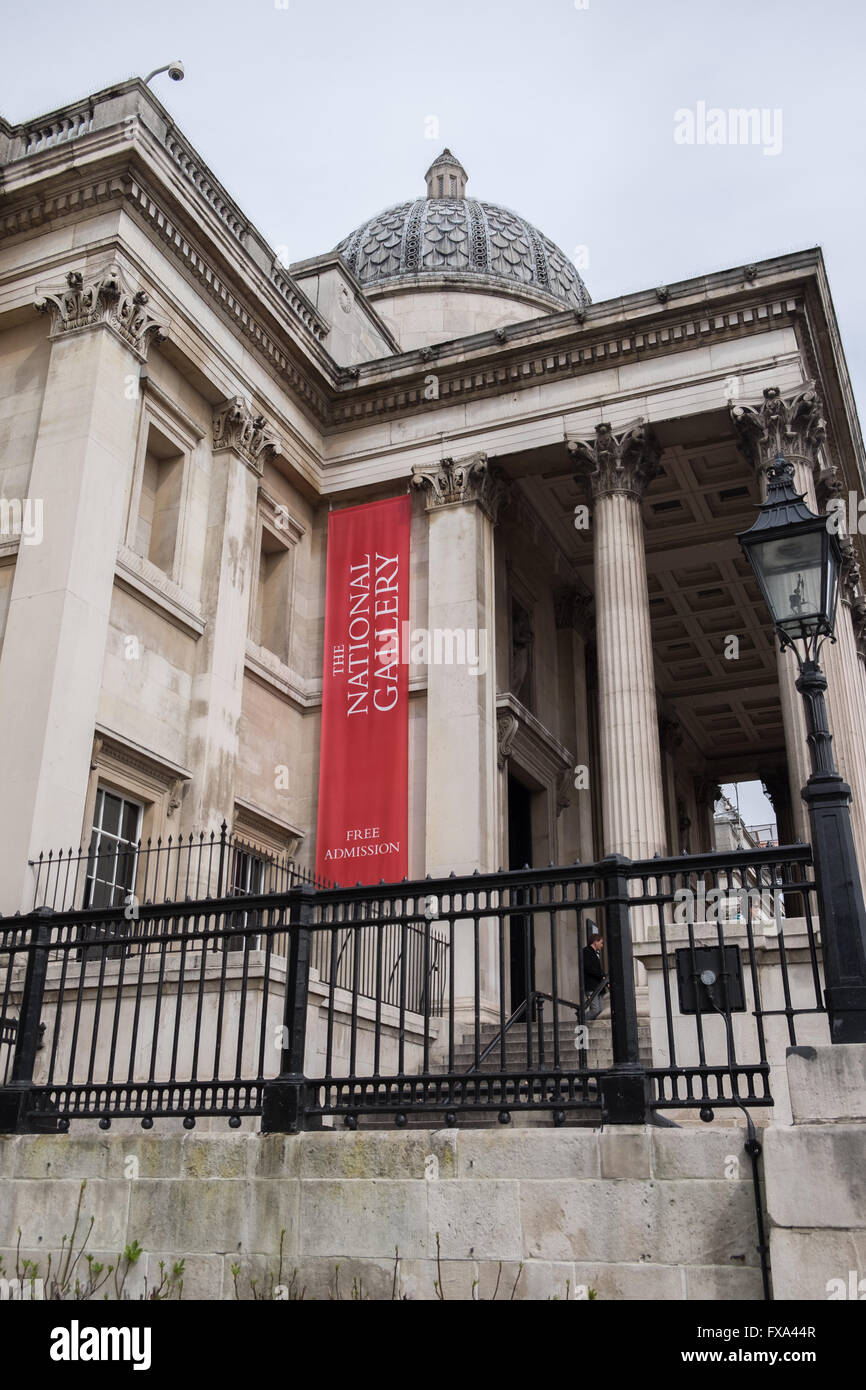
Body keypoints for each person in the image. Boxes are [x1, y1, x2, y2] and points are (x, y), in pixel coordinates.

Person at [583, 931, 607, 1020]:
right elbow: (589, 968)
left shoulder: (594, 953)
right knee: (595, 1010)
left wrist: (604, 978)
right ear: (595, 942)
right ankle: (581, 1020)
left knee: (600, 1010)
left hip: (598, 987)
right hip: (591, 986)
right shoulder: (586, 951)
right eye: (601, 943)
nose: (602, 945)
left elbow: (598, 969)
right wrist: (602, 976)